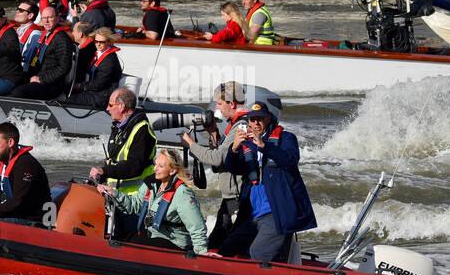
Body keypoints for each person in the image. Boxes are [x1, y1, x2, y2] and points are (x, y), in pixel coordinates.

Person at [219, 101, 316, 263]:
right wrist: (234, 148)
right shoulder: (246, 144)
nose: (256, 123)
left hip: (276, 212)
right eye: (252, 119)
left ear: (268, 120)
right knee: (227, 249)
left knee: (258, 254)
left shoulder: (286, 138)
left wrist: (264, 146)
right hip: (253, 215)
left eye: (260, 119)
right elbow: (234, 168)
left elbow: (290, 161)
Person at [98, 150, 216, 255]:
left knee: (133, 244)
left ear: (172, 171)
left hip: (175, 243)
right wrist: (114, 193)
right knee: (125, 239)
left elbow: (196, 226)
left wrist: (201, 252)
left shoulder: (182, 193)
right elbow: (134, 205)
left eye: (160, 166)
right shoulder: (151, 184)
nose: (155, 169)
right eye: (156, 165)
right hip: (155, 235)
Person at [181, 80, 250, 247]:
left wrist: (191, 144)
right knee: (217, 242)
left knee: (220, 245)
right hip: (232, 197)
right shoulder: (237, 124)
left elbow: (217, 158)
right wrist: (213, 133)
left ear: (231, 104)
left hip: (236, 197)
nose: (217, 108)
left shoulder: (241, 126)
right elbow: (225, 156)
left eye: (219, 103)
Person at [90, 87, 158, 236]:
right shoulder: (120, 127)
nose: (107, 108)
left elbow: (134, 166)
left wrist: (105, 170)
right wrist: (102, 173)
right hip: (117, 196)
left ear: (121, 107)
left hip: (136, 200)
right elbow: (115, 160)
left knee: (129, 240)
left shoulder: (142, 130)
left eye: (111, 105)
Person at [10, 6, 74, 99]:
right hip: (39, 76)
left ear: (57, 18)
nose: (46, 21)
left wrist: (41, 79)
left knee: (18, 92)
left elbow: (63, 68)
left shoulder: (62, 39)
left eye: (50, 17)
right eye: (44, 18)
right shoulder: (47, 35)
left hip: (51, 84)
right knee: (12, 81)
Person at [65, 27, 122, 108]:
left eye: (101, 42)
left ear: (109, 42)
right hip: (96, 90)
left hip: (103, 95)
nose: (98, 44)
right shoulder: (99, 53)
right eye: (96, 41)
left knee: (69, 100)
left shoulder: (109, 61)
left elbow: (99, 84)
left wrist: (79, 86)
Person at [14, 0, 43, 73]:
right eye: (17, 9)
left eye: (21, 10)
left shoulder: (35, 35)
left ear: (30, 15)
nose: (17, 11)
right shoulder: (18, 30)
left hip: (20, 73)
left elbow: (27, 61)